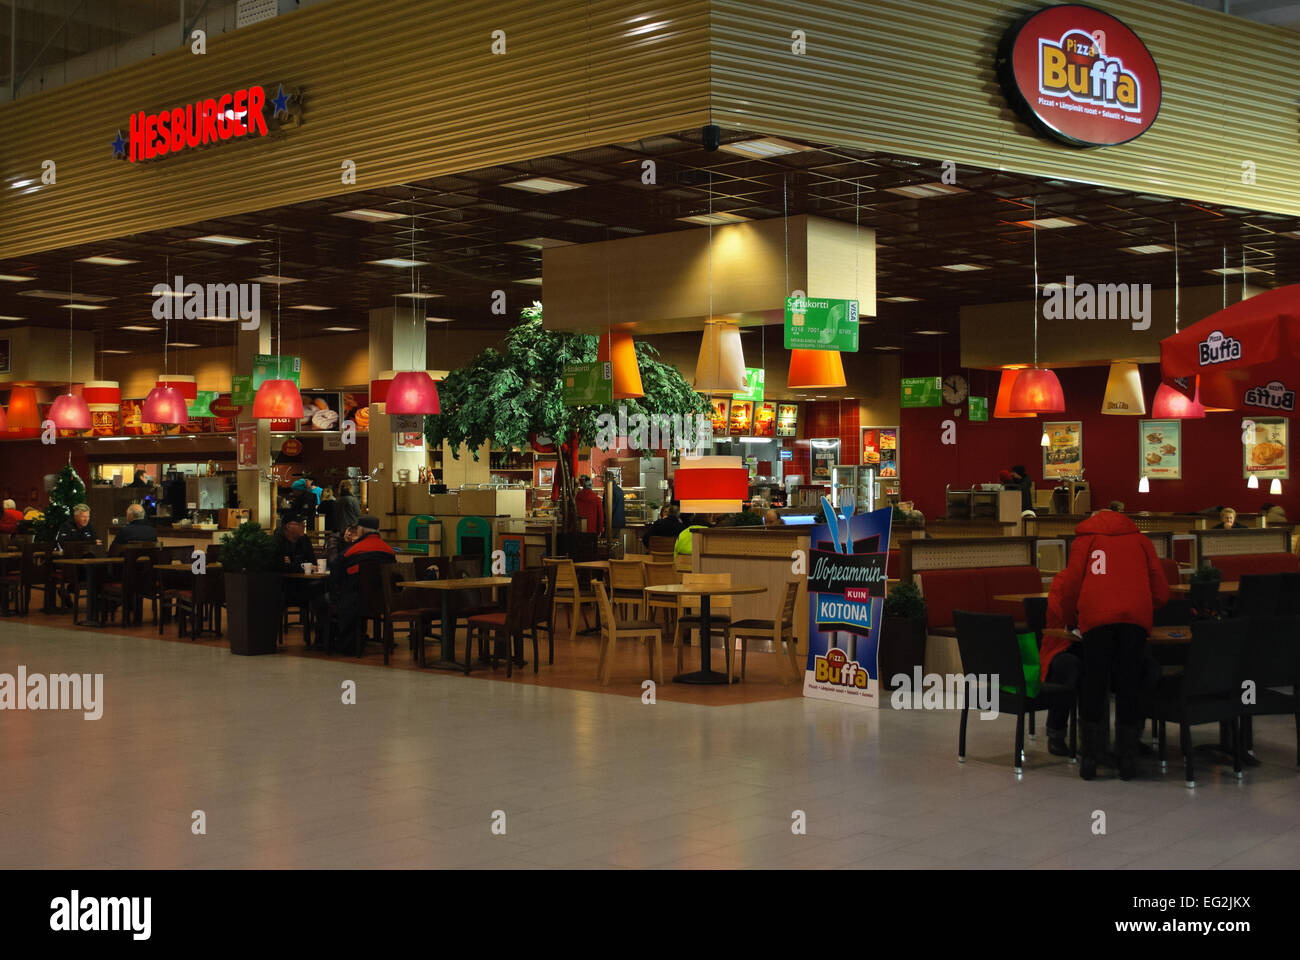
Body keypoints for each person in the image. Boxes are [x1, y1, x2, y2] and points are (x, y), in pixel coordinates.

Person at [1048, 508, 1170, 781]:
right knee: (1129, 682)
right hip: (1135, 618)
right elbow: (1161, 589)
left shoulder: (1085, 540)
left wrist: (1070, 618)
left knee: (1095, 681)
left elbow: (1071, 585)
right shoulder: (1141, 540)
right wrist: (1148, 607)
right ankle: (1127, 758)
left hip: (1096, 618)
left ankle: (1090, 758)